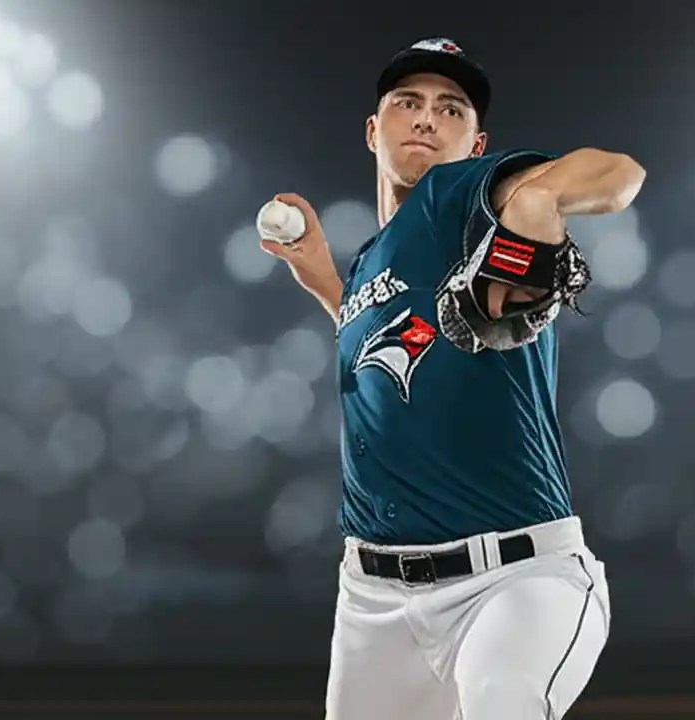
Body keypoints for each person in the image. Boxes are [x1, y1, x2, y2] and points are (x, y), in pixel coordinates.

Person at [260, 37, 645, 720]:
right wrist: (323, 280)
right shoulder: (371, 263)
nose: (427, 117)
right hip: (373, 601)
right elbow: (381, 343)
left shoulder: (460, 194)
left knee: (503, 703)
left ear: (477, 144)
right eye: (408, 102)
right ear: (373, 130)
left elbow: (619, 173)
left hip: (512, 582)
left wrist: (543, 194)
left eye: (451, 109)